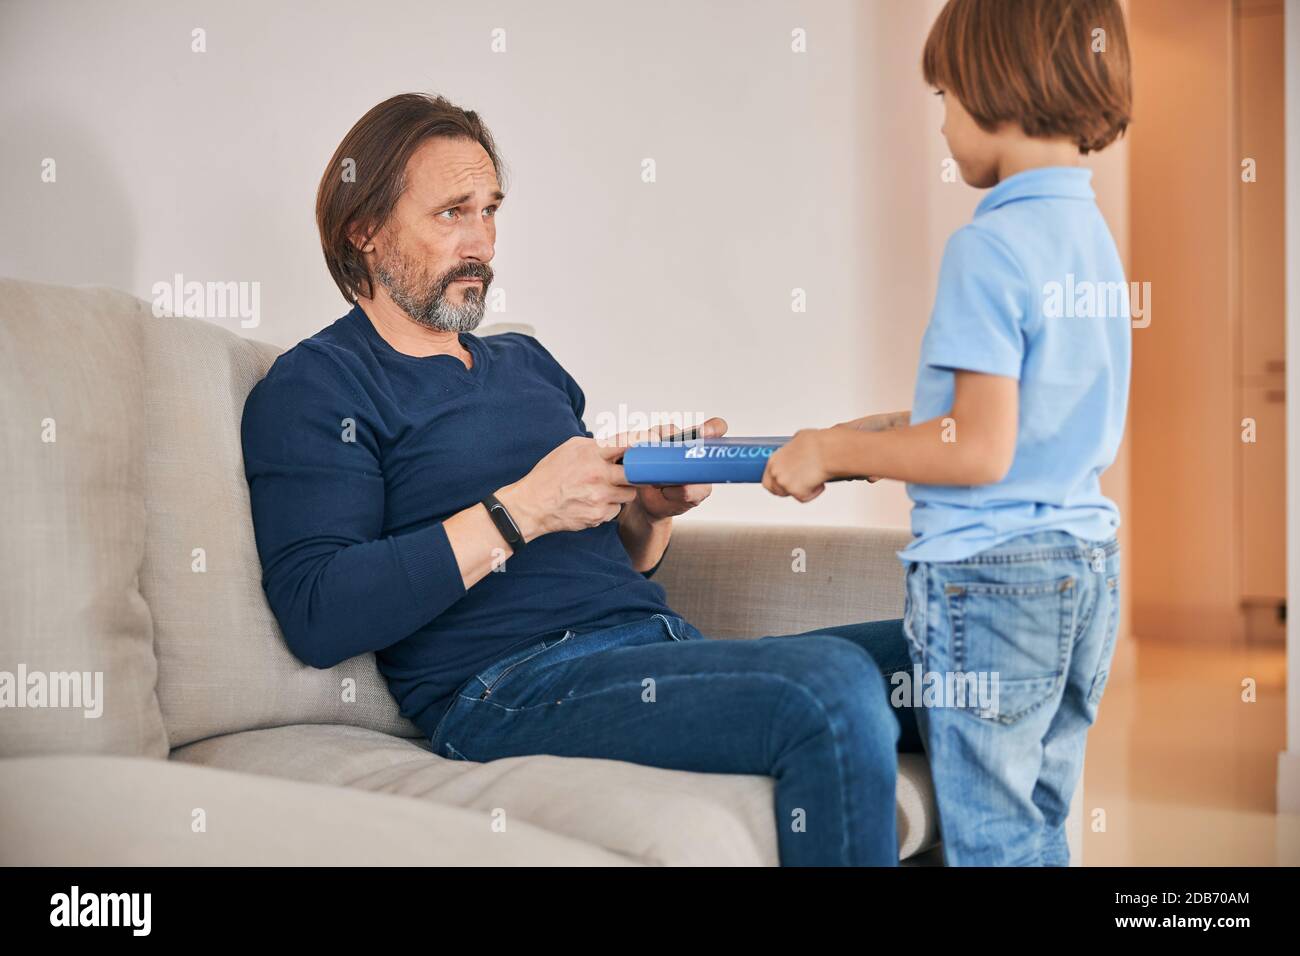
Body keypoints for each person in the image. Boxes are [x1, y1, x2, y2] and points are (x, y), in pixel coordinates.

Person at [241, 92, 918, 866]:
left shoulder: (526, 364)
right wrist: (520, 508)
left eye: (491, 211)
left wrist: (650, 515)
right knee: (829, 686)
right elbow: (319, 612)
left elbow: (601, 560)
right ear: (362, 229)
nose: (482, 243)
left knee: (956, 654)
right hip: (507, 688)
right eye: (451, 213)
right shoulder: (319, 384)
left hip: (649, 646)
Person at [762, 0, 1132, 865]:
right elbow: (1007, 425)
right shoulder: (1088, 236)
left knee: (990, 841)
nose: (941, 127)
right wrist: (841, 438)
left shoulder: (990, 246)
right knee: (1036, 823)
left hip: (993, 585)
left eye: (944, 98)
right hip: (1082, 571)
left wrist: (837, 452)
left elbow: (977, 449)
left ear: (996, 88)